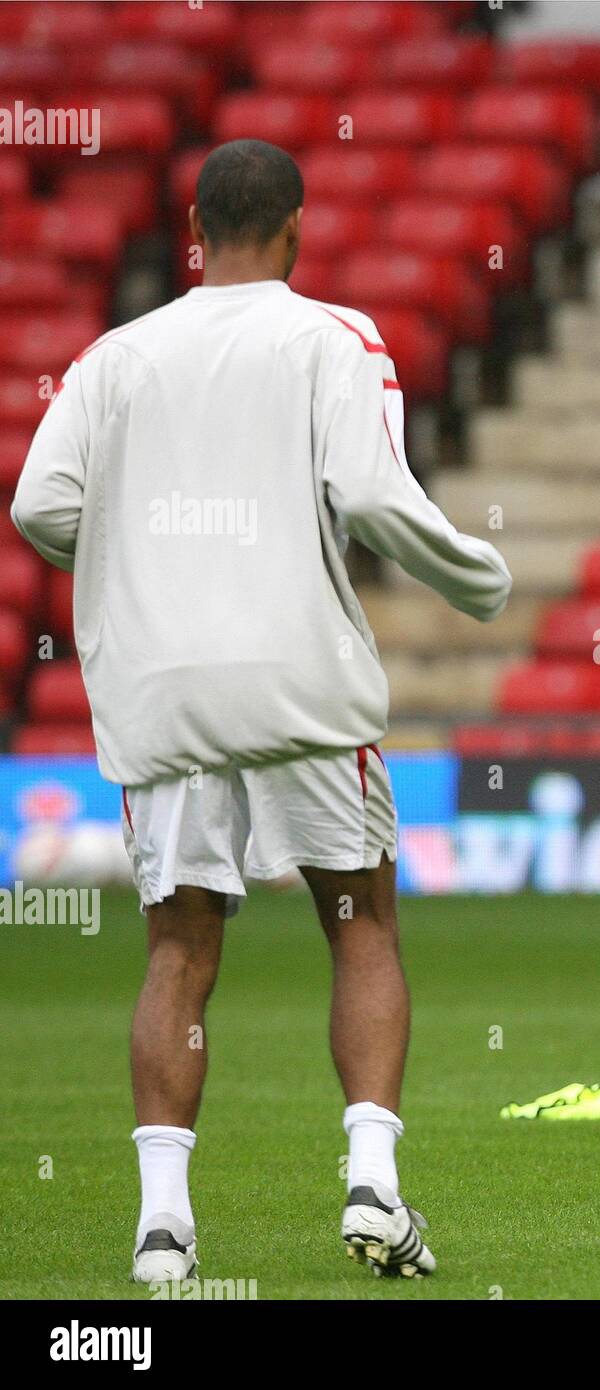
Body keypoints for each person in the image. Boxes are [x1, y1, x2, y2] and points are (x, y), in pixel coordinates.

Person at [11, 139, 513, 1280]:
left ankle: (161, 1231)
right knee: (360, 923)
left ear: (193, 228)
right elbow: (375, 493)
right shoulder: (332, 338)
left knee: (179, 948)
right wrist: (475, 576)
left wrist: (138, 565)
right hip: (300, 685)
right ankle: (374, 1189)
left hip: (164, 693)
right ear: (295, 228)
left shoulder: (112, 356)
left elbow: (42, 503)